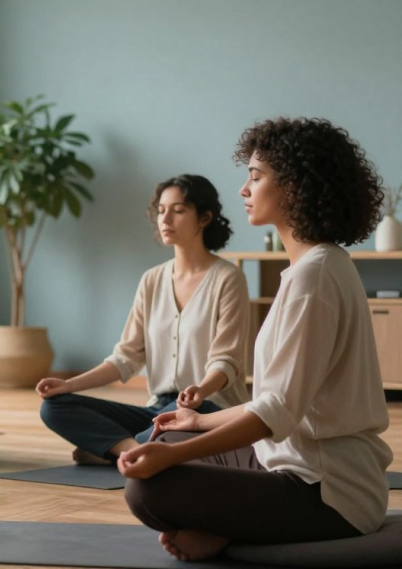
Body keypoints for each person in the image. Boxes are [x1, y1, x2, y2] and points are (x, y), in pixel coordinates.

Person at [121, 117, 394, 562]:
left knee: (148, 485)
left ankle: (231, 532)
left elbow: (276, 413)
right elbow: (281, 400)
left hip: (328, 493)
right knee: (165, 445)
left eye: (255, 176)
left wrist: (177, 458)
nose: (245, 190)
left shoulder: (315, 277)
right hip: (290, 462)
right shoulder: (316, 266)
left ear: (294, 186)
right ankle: (226, 529)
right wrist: (198, 423)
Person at [37, 175, 250, 465]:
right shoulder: (151, 280)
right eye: (161, 210)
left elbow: (227, 362)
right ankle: (135, 451)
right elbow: (126, 358)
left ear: (204, 218)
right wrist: (69, 385)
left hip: (208, 410)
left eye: (178, 210)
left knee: (179, 433)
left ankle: (120, 450)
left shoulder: (228, 278)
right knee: (54, 408)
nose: (165, 218)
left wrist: (200, 390)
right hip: (157, 410)